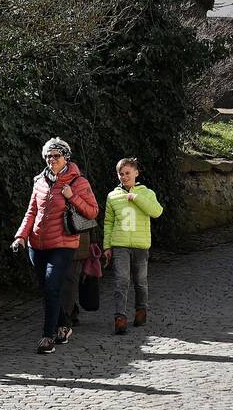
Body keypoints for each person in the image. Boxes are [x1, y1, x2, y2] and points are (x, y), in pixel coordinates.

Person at [11, 137, 99, 354]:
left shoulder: (78, 182)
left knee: (52, 287)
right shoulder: (39, 181)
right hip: (36, 244)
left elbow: (93, 212)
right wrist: (21, 236)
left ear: (66, 157)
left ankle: (47, 336)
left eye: (56, 156)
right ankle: (65, 324)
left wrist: (72, 197)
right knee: (47, 289)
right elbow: (31, 212)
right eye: (49, 156)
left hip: (64, 243)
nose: (52, 160)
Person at [101, 157, 163, 334]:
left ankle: (141, 310)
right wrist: (107, 247)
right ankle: (120, 318)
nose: (124, 176)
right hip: (119, 245)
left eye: (127, 173)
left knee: (140, 282)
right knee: (121, 281)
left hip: (141, 246)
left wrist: (136, 198)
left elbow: (157, 211)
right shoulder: (112, 196)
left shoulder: (147, 193)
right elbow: (108, 222)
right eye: (121, 174)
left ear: (136, 173)